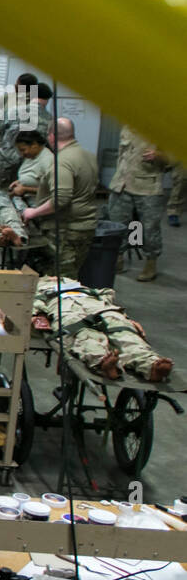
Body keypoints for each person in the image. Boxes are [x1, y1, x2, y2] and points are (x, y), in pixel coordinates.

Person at [30, 277, 172, 382]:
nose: (54, 277)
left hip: (98, 306)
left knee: (122, 329)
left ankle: (150, 365)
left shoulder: (86, 288)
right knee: (81, 333)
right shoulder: (37, 288)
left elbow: (108, 297)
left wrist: (127, 318)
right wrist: (38, 315)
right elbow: (33, 305)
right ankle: (103, 361)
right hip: (64, 309)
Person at [23, 117, 99, 281]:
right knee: (72, 274)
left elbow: (60, 199)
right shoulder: (88, 156)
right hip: (85, 225)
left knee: (60, 280)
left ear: (51, 136)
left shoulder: (62, 162)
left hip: (66, 229)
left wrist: (33, 212)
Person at [107, 125, 170, 282]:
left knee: (149, 228)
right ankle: (118, 258)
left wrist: (159, 156)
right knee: (116, 223)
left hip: (147, 187)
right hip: (121, 184)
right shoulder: (127, 127)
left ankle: (151, 261)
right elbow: (121, 155)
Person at [0, 75, 53, 190]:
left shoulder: (14, 111)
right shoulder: (49, 120)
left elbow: (0, 127)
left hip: (3, 160)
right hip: (26, 164)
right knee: (18, 193)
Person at [7, 129, 53, 207]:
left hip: (37, 206)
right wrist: (20, 181)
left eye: (23, 150)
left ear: (34, 145)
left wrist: (25, 189)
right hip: (24, 200)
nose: (22, 154)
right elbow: (33, 175)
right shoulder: (31, 156)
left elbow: (52, 191)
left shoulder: (48, 161)